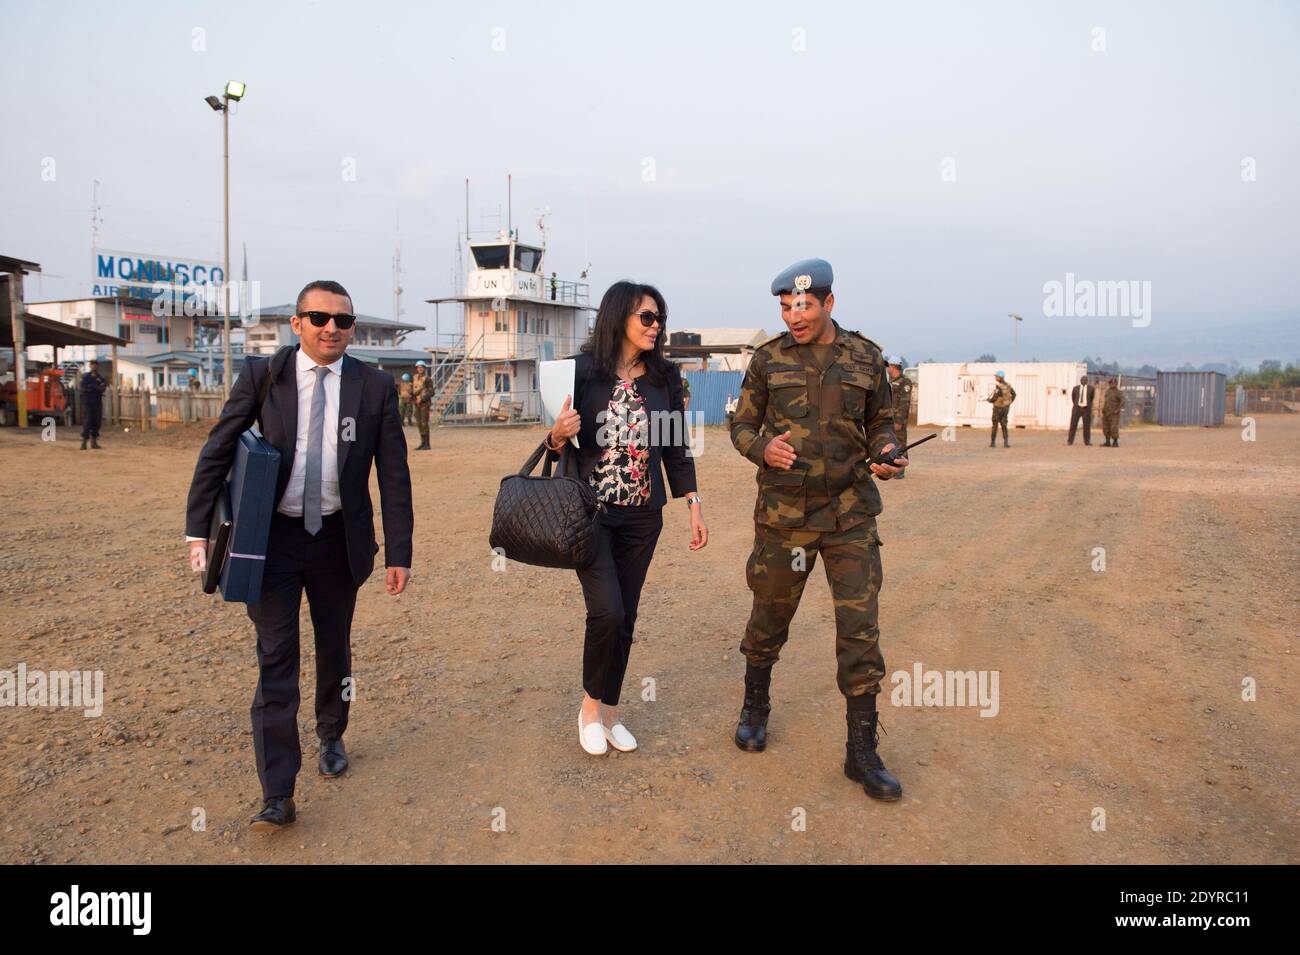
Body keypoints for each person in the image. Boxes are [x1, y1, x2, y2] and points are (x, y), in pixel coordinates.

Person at [183, 280, 413, 832]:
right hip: (272, 543)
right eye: (318, 317)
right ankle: (277, 791)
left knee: (334, 646)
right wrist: (197, 530)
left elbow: (395, 475)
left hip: (338, 541)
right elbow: (219, 445)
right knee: (276, 659)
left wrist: (399, 552)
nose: (331, 327)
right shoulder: (264, 376)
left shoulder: (375, 386)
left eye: (342, 320)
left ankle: (332, 732)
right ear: (297, 323)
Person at [729, 258, 906, 802]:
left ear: (829, 303)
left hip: (850, 514)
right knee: (770, 616)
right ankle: (755, 705)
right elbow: (739, 424)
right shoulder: (767, 360)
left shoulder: (865, 357)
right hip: (785, 518)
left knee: (860, 630)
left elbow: (884, 421)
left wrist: (887, 452)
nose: (794, 317)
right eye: (785, 308)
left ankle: (861, 752)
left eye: (803, 307)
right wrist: (762, 448)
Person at [545, 280, 708, 757]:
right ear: (619, 318)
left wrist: (693, 505)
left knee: (627, 615)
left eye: (659, 318)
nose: (656, 326)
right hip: (589, 513)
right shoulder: (579, 373)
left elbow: (677, 448)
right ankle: (589, 708)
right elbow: (555, 444)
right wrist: (557, 435)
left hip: (643, 516)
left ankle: (611, 711)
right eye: (647, 317)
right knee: (607, 611)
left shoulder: (665, 379)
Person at [886, 356, 912, 478]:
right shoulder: (890, 381)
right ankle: (893, 467)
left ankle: (901, 470)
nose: (887, 368)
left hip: (898, 419)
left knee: (901, 443)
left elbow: (904, 403)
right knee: (891, 443)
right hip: (889, 418)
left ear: (893, 366)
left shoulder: (905, 381)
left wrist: (899, 421)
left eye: (888, 366)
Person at [79, 359, 107, 451]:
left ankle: (94, 442)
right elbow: (83, 388)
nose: (94, 366)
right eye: (92, 365)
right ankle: (84, 442)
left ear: (97, 366)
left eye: (95, 365)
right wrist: (95, 388)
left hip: (97, 403)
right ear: (90, 366)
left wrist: (92, 387)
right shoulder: (86, 377)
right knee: (87, 422)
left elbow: (102, 388)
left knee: (97, 422)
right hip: (88, 403)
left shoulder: (100, 377)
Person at [987, 371, 1016, 448]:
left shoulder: (999, 387)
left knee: (995, 425)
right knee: (1004, 425)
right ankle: (1006, 444)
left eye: (996, 376)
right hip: (1006, 408)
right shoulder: (1008, 385)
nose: (995, 378)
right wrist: (1009, 402)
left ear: (1000, 377)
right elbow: (1014, 394)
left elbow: (995, 397)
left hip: (998, 408)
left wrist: (990, 400)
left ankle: (993, 443)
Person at [1068, 375, 1095, 445]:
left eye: (1085, 380)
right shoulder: (1075, 388)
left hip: (1086, 409)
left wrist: (1087, 405)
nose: (1084, 381)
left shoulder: (1091, 389)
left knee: (1086, 426)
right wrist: (1077, 405)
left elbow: (1091, 398)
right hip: (1077, 409)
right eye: (1082, 379)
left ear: (1087, 381)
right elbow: (1073, 398)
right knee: (1073, 425)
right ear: (1080, 381)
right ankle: (1070, 441)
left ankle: (1087, 441)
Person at [412, 362, 432, 451]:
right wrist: (414, 400)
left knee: (424, 423)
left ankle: (427, 444)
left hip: (424, 404)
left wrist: (422, 399)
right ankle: (422, 442)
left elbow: (431, 392)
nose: (420, 369)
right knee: (419, 423)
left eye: (422, 367)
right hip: (417, 404)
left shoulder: (427, 379)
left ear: (424, 369)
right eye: (418, 367)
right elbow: (413, 391)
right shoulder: (414, 378)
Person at [1102, 377, 1124, 447]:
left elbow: (1122, 401)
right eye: (1110, 383)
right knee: (1106, 427)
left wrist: (1118, 409)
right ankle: (1107, 441)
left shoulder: (1118, 392)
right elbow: (1106, 401)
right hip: (1106, 412)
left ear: (1116, 384)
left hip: (1114, 413)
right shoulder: (1108, 391)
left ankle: (1115, 441)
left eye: (1113, 383)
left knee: (1113, 427)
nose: (1111, 384)